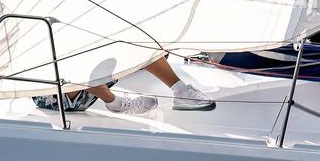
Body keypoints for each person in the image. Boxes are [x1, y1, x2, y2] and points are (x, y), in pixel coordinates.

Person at [35, 57, 214, 115]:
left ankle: (181, 91)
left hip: (85, 84)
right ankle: (117, 104)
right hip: (58, 96)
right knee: (81, 61)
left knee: (143, 46)